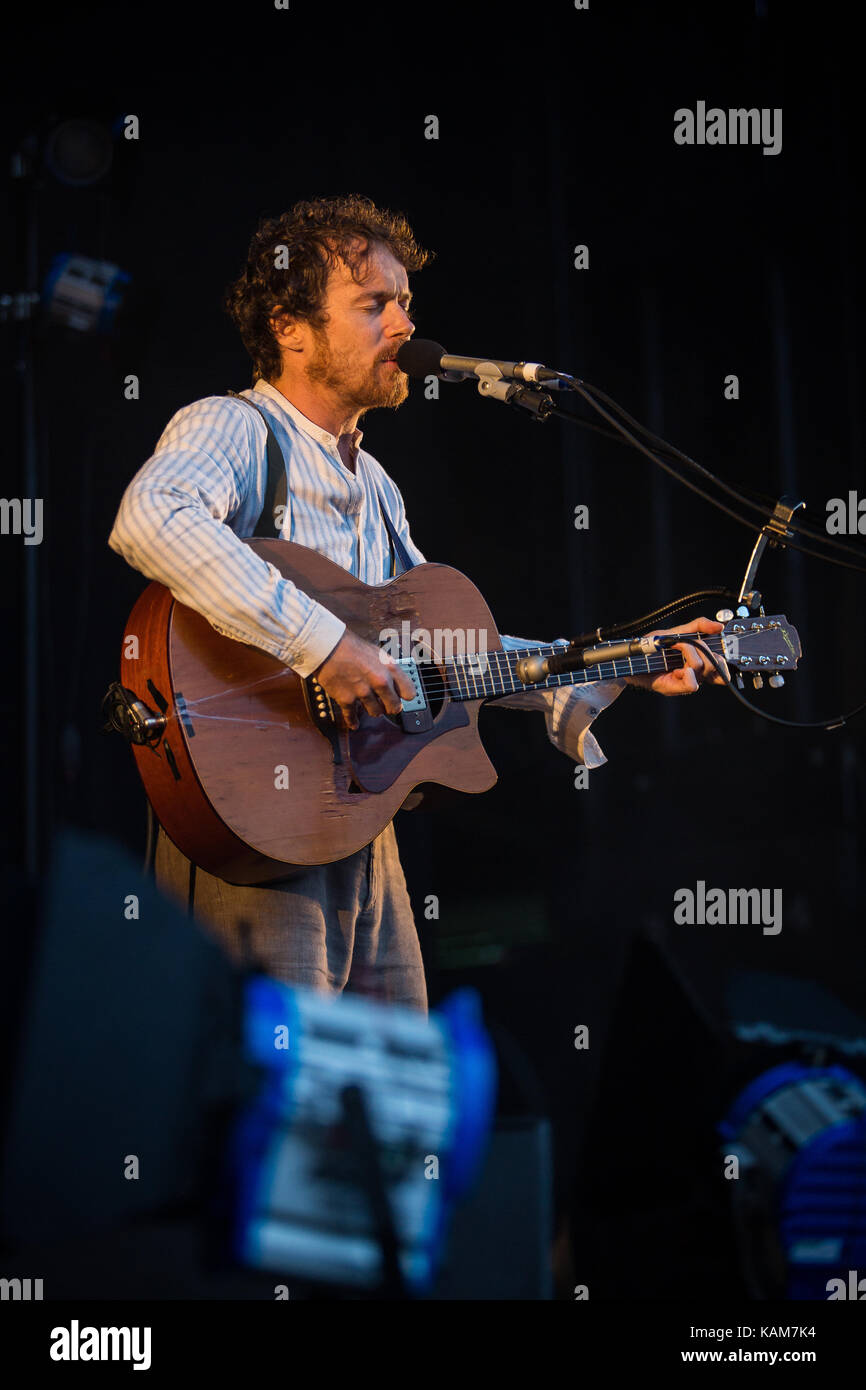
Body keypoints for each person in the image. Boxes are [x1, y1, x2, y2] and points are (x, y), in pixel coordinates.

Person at [108, 194, 723, 1016]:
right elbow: (152, 518)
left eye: (405, 303)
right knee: (266, 1111)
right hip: (251, 818)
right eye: (374, 305)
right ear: (291, 328)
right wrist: (323, 645)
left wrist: (629, 661)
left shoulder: (378, 486)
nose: (403, 325)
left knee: (390, 1114)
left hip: (363, 828)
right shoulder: (234, 427)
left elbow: (447, 651)